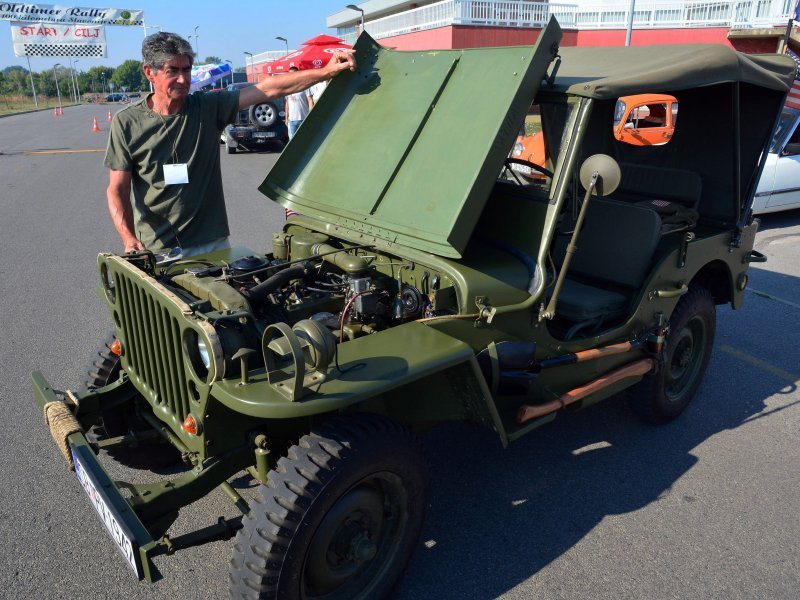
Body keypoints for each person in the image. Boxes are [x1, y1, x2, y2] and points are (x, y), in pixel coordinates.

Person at [104, 32, 355, 257]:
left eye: (187, 69)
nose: (183, 79)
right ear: (150, 72)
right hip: (157, 249)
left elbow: (267, 89)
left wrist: (325, 73)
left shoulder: (207, 107)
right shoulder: (127, 122)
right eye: (173, 70)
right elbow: (117, 189)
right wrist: (128, 238)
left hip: (212, 244)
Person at [284, 66, 312, 140]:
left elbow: (310, 101)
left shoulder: (305, 85)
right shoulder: (288, 88)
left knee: (304, 140)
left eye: (293, 74)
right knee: (292, 142)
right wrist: (286, 118)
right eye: (289, 74)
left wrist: (310, 115)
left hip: (303, 119)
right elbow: (287, 103)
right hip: (291, 121)